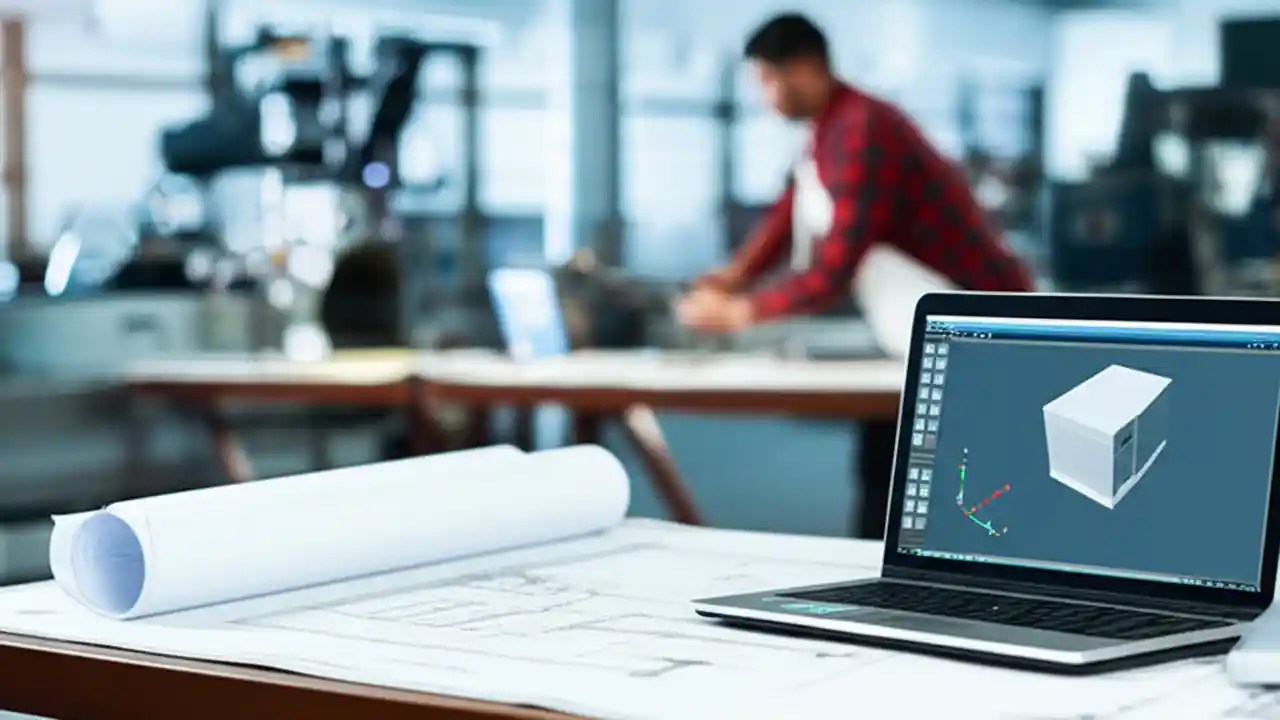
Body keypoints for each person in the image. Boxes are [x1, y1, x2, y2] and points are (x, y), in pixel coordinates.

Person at [675, 13, 1035, 540]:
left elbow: (834, 267)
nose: (766, 98)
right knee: (882, 465)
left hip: (983, 326)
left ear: (805, 68)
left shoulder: (864, 129)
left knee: (940, 485)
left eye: (768, 81)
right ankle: (877, 586)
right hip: (921, 334)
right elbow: (787, 214)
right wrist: (734, 276)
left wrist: (740, 312)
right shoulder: (827, 133)